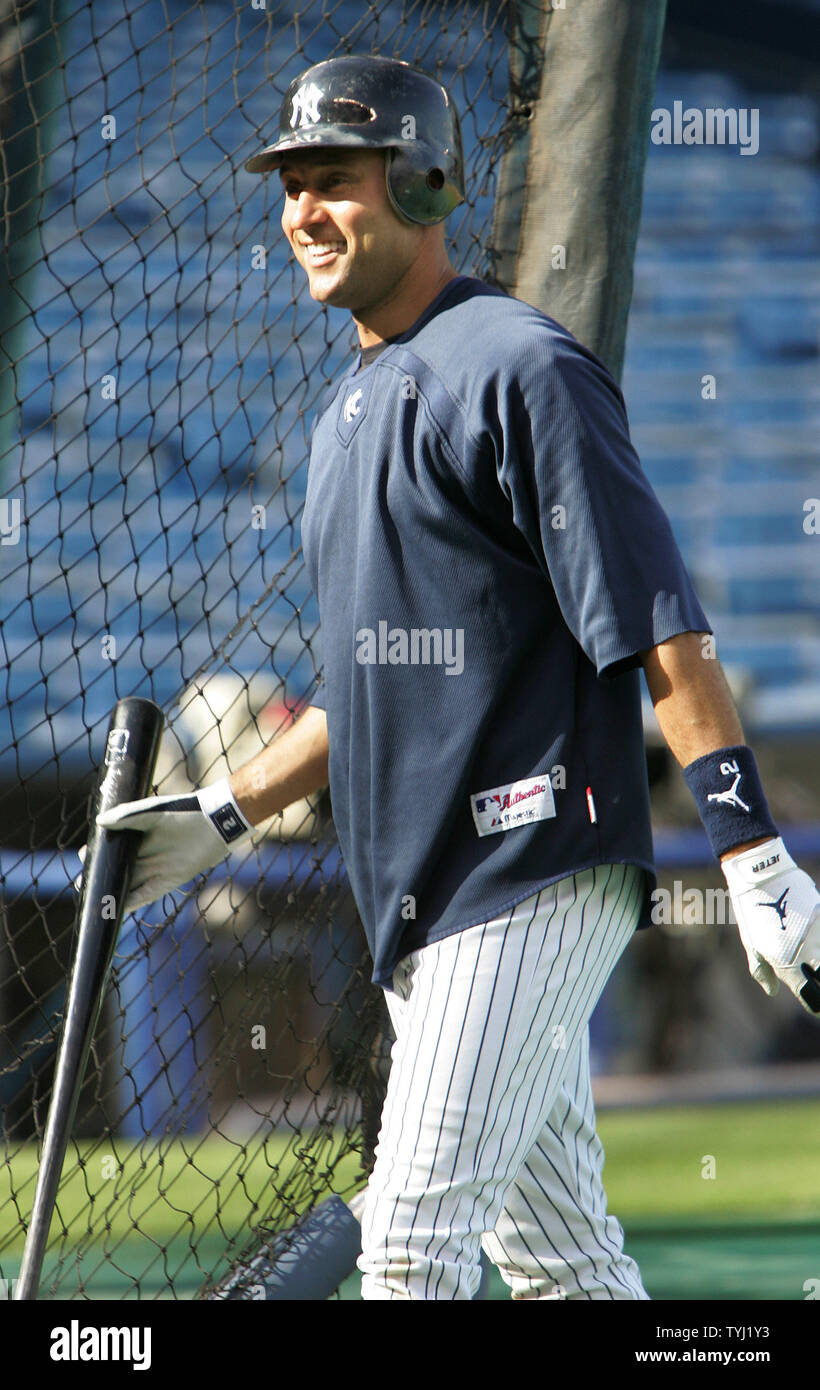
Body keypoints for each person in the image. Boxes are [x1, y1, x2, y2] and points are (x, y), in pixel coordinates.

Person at [94, 56, 820, 1300]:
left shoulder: (522, 364)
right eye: (291, 185)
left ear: (424, 184)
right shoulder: (343, 420)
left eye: (334, 180)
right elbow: (359, 689)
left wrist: (753, 859)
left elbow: (663, 628)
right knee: (561, 1268)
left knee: (411, 1248)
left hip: (524, 867)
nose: (301, 212)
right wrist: (226, 813)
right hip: (425, 904)